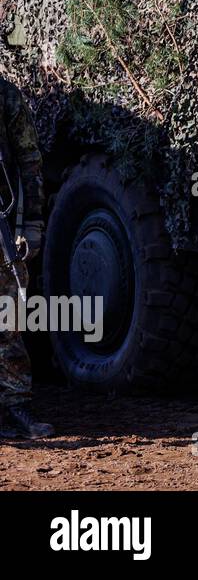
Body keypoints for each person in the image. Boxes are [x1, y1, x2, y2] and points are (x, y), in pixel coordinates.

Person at [0, 76, 50, 440]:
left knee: (8, 317)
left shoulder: (5, 96)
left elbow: (29, 160)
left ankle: (15, 407)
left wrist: (30, 223)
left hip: (2, 220)